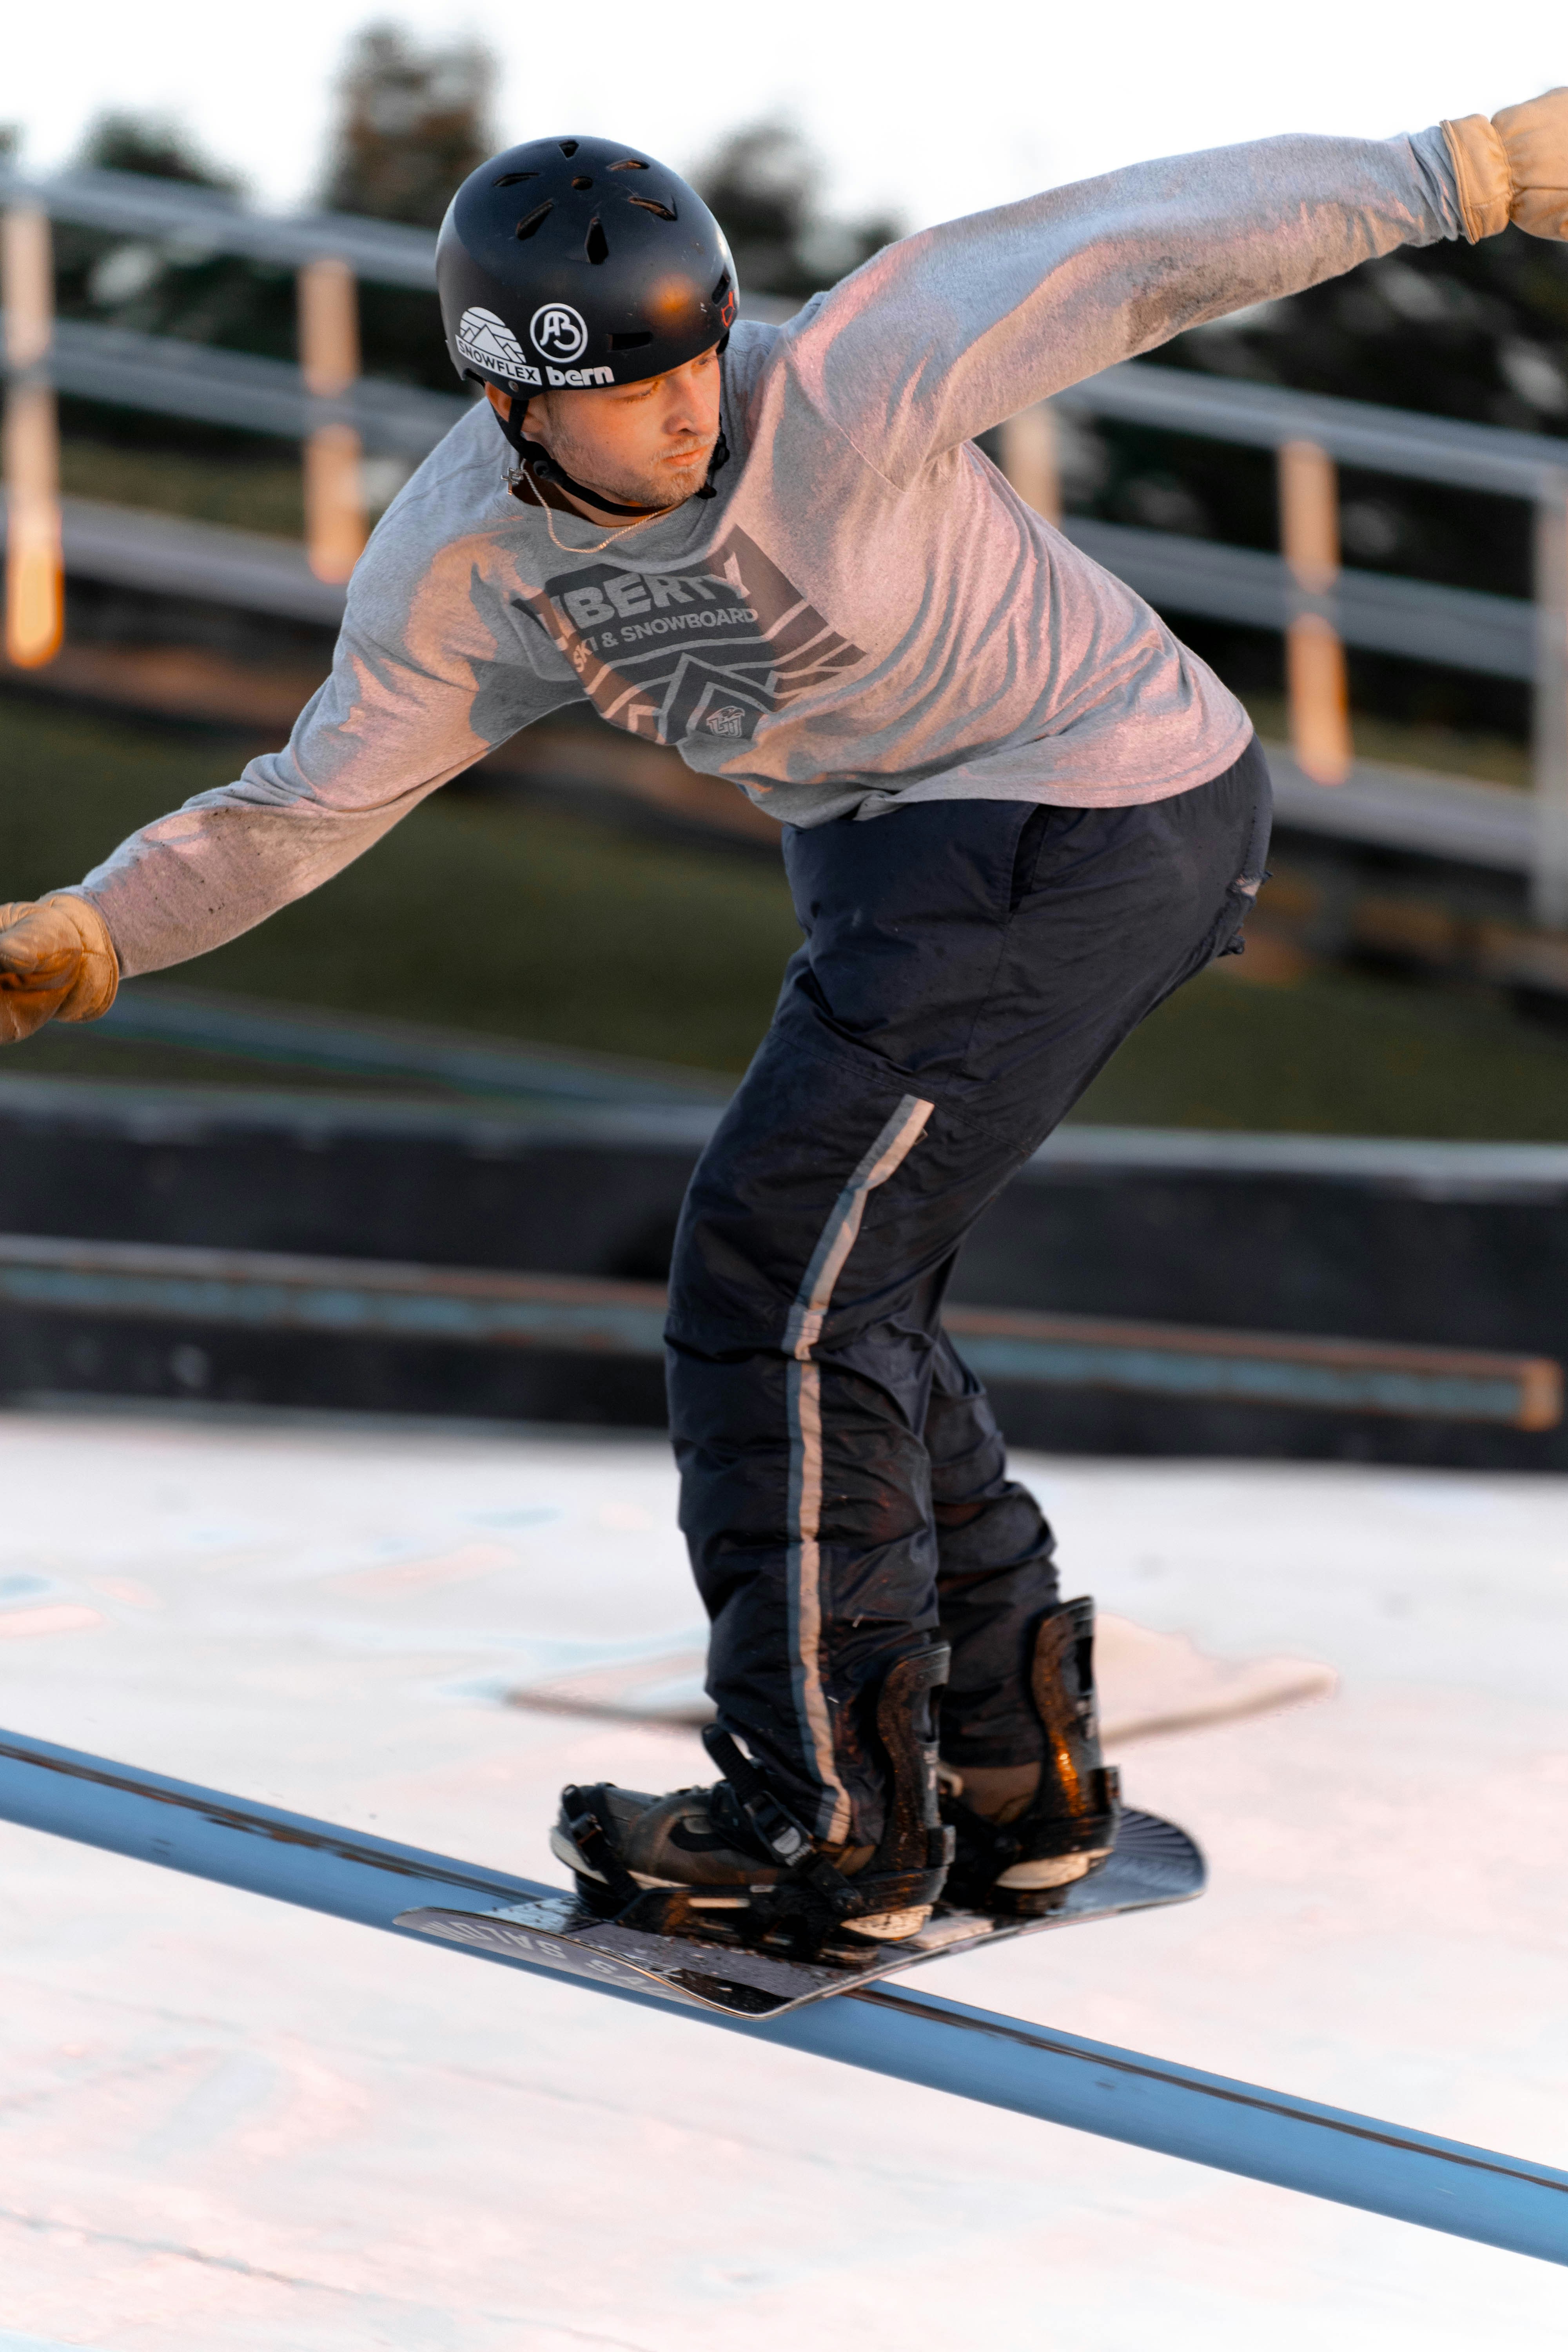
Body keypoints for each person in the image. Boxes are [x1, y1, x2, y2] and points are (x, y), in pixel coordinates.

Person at [4, 96, 1565, 1947]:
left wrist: (1458, 174)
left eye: (698, 358)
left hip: (1089, 803)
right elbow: (313, 799)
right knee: (841, 1277)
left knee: (770, 1276)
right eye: (632, 388)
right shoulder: (461, 570)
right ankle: (1006, 1769)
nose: (690, 411)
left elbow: (1139, 245)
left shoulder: (841, 374)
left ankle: (828, 1817)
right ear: (514, 402)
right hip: (890, 860)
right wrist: (100, 932)